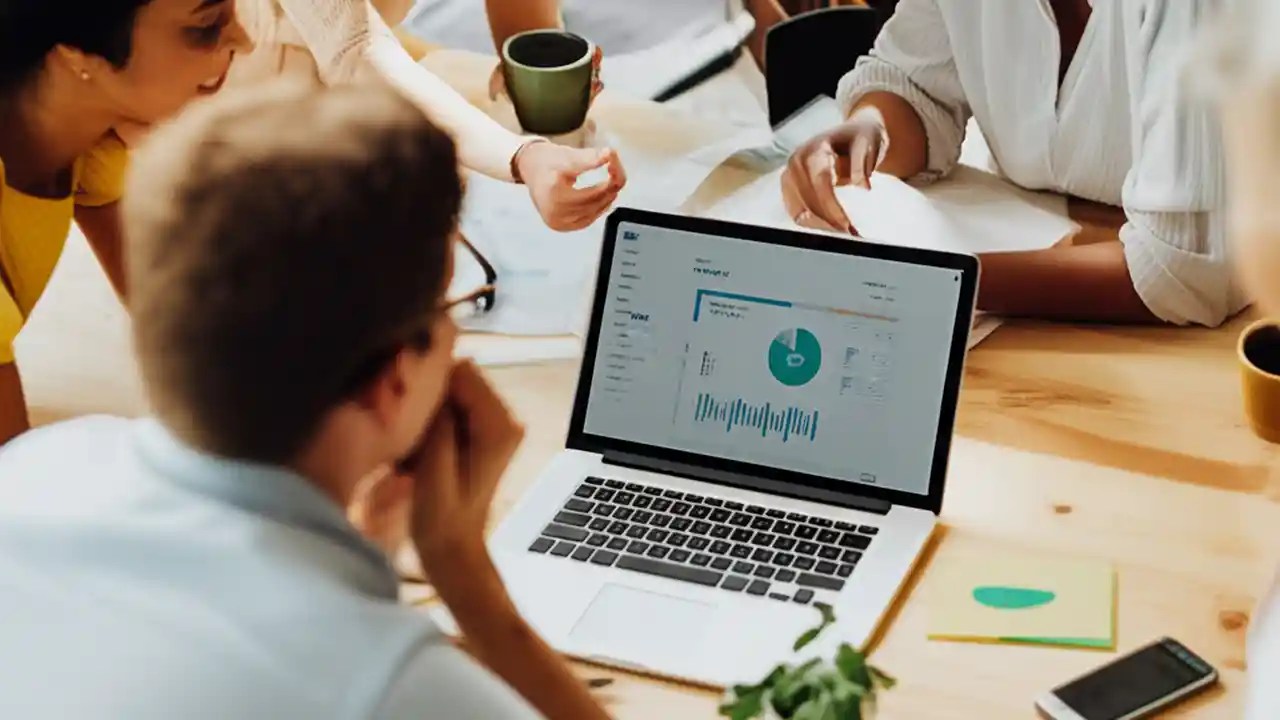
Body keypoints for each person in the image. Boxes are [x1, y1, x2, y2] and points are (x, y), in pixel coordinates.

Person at [0, 81, 610, 719]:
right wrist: (465, 575)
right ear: (396, 382)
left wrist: (364, 550)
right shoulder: (392, 685)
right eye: (450, 307)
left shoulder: (31, 469)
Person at [782, 0, 1244, 327]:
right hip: (1031, 302)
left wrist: (935, 282)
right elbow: (917, 85)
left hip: (1207, 349)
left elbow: (1185, 269)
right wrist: (871, 125)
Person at [0, 0, 251, 445]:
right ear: (76, 55)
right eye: (208, 25)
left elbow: (189, 325)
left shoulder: (82, 143)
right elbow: (12, 488)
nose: (243, 41)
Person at [219, 0, 627, 233]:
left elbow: (526, 32)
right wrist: (524, 156)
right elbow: (356, 51)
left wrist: (546, 79)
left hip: (380, 92)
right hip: (249, 109)